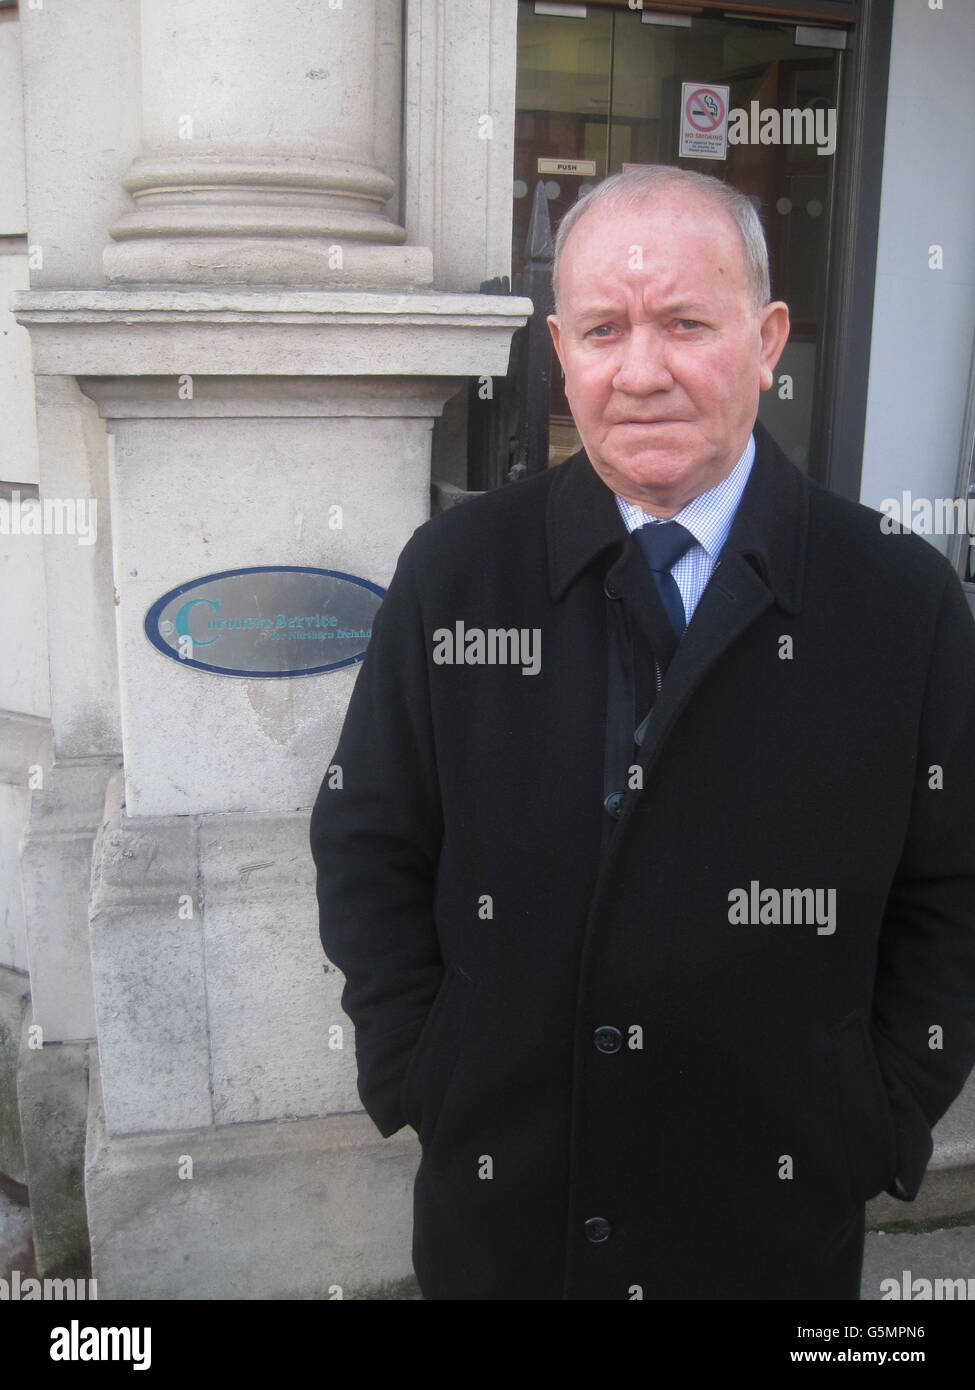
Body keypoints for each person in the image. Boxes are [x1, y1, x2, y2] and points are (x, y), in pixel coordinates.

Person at [309, 165, 975, 1300]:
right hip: (506, 1223)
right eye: (606, 329)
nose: (643, 370)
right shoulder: (456, 574)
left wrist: (876, 1119)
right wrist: (424, 1070)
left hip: (771, 1234)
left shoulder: (900, 599)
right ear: (561, 352)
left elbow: (952, 888)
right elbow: (368, 839)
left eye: (685, 324)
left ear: (768, 341)